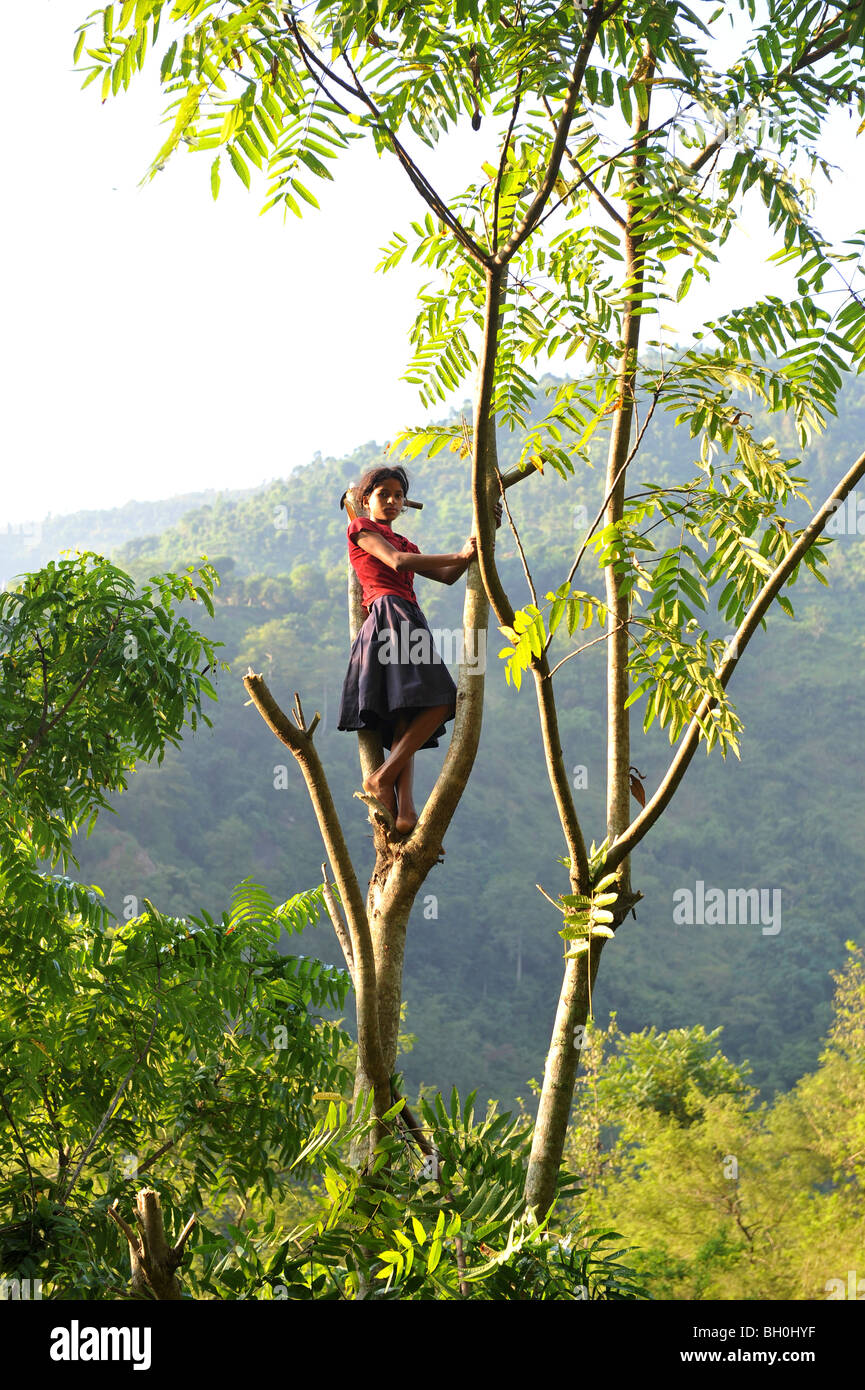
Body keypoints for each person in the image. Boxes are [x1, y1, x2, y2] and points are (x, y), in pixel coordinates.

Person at [338, 464, 499, 835]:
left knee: (407, 714)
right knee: (443, 699)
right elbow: (396, 562)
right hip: (388, 614)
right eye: (384, 495)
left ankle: (405, 812)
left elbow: (446, 576)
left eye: (398, 496)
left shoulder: (407, 542)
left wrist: (481, 537)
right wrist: (459, 555)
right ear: (366, 500)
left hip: (409, 616)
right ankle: (382, 778)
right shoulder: (361, 529)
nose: (392, 501)